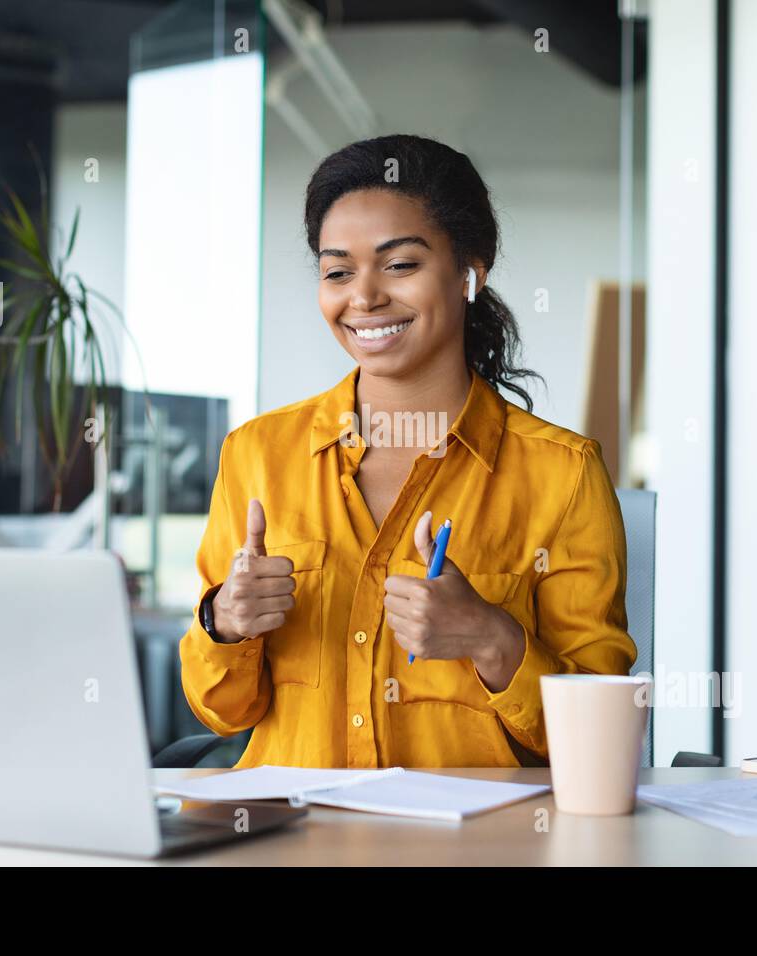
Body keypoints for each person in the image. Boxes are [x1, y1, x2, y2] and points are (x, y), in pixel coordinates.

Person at [179, 133, 635, 768]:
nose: (363, 298)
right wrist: (224, 622)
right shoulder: (256, 454)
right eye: (338, 271)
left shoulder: (562, 474)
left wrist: (493, 639)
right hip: (292, 842)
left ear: (470, 274)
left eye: (400, 265)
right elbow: (219, 710)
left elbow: (601, 740)